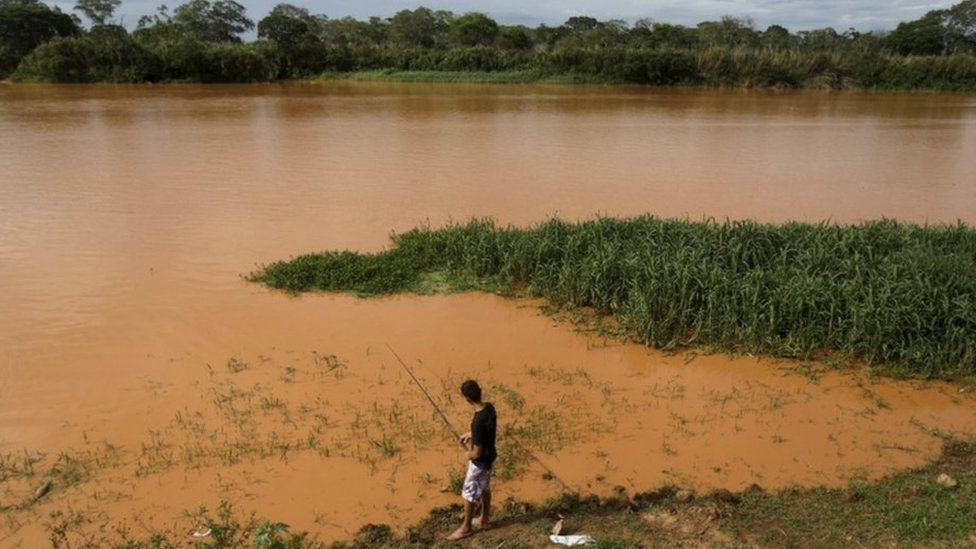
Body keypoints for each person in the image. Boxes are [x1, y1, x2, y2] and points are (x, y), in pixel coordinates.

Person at [448, 379, 497, 540]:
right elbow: (486, 430)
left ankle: (466, 528)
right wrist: (471, 434)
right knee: (484, 488)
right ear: (480, 391)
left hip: (479, 463)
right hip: (490, 458)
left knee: (468, 495)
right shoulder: (489, 408)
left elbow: (476, 453)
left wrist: (468, 454)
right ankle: (484, 519)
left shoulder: (477, 421)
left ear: (467, 399)